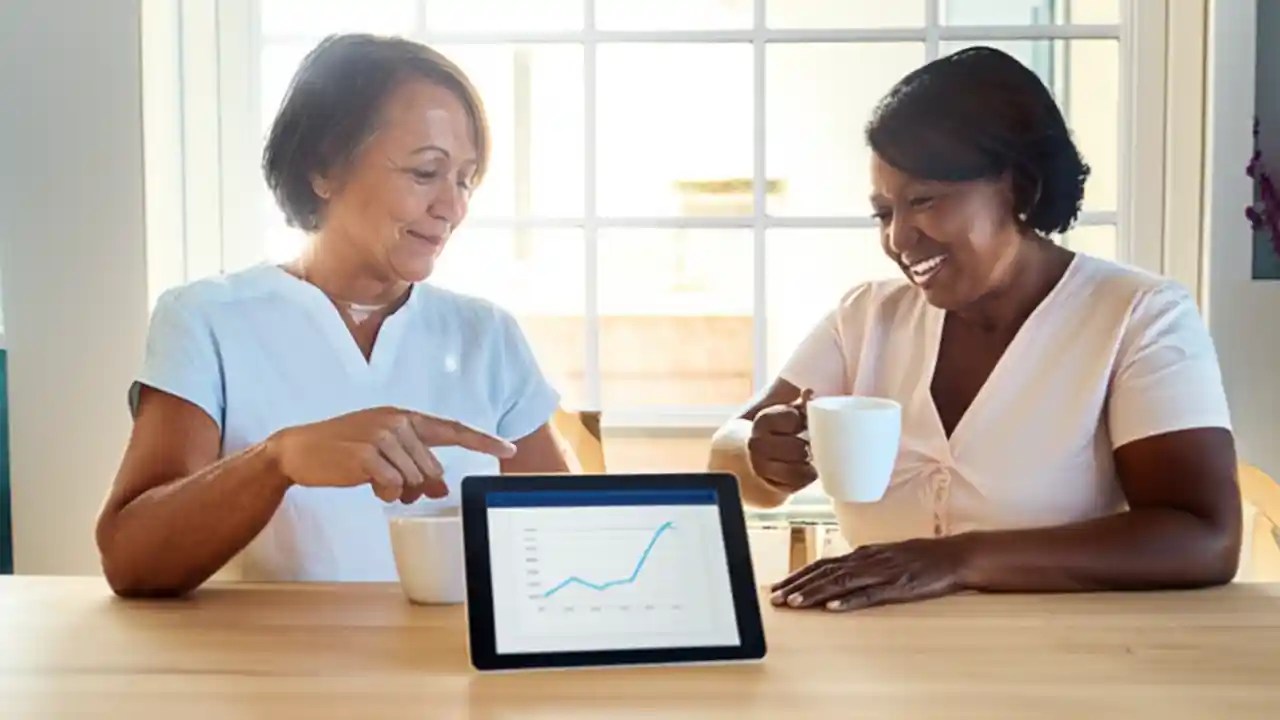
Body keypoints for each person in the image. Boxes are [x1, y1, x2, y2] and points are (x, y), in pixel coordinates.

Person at [709, 47, 1240, 612]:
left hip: (1069, 666)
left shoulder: (1138, 316)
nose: (898, 239)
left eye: (924, 202)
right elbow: (728, 458)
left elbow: (1203, 537)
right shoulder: (867, 317)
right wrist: (759, 454)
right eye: (884, 213)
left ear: (1021, 189)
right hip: (880, 668)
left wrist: (957, 560)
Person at [96, 35, 570, 596]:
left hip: (455, 676)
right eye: (425, 173)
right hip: (276, 677)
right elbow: (132, 559)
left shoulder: (487, 336)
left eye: (465, 179)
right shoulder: (206, 320)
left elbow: (575, 537)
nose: (453, 207)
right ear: (325, 167)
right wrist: (277, 461)